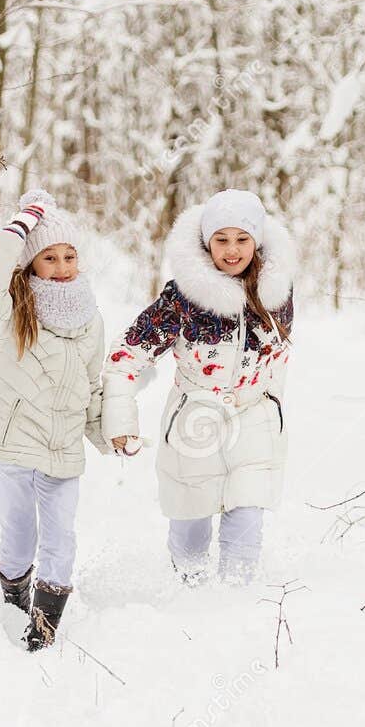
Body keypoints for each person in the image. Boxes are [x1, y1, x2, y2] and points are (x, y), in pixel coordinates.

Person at [102, 188, 295, 584]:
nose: (232, 250)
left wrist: (272, 403)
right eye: (221, 239)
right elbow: (126, 358)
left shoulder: (278, 291)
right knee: (190, 541)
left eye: (242, 239)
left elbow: (278, 356)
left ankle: (234, 611)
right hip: (194, 423)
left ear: (256, 241)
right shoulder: (183, 297)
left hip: (254, 422)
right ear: (207, 243)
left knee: (245, 528)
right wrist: (120, 418)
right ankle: (188, 608)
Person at [0, 189, 108, 649]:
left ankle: (44, 628)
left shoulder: (91, 318)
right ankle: (13, 595)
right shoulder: (10, 312)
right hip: (12, 447)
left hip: (63, 447)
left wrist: (111, 435)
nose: (63, 266)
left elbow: (93, 385)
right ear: (30, 264)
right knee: (19, 537)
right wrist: (21, 224)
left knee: (61, 538)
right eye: (49, 257)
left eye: (70, 255)